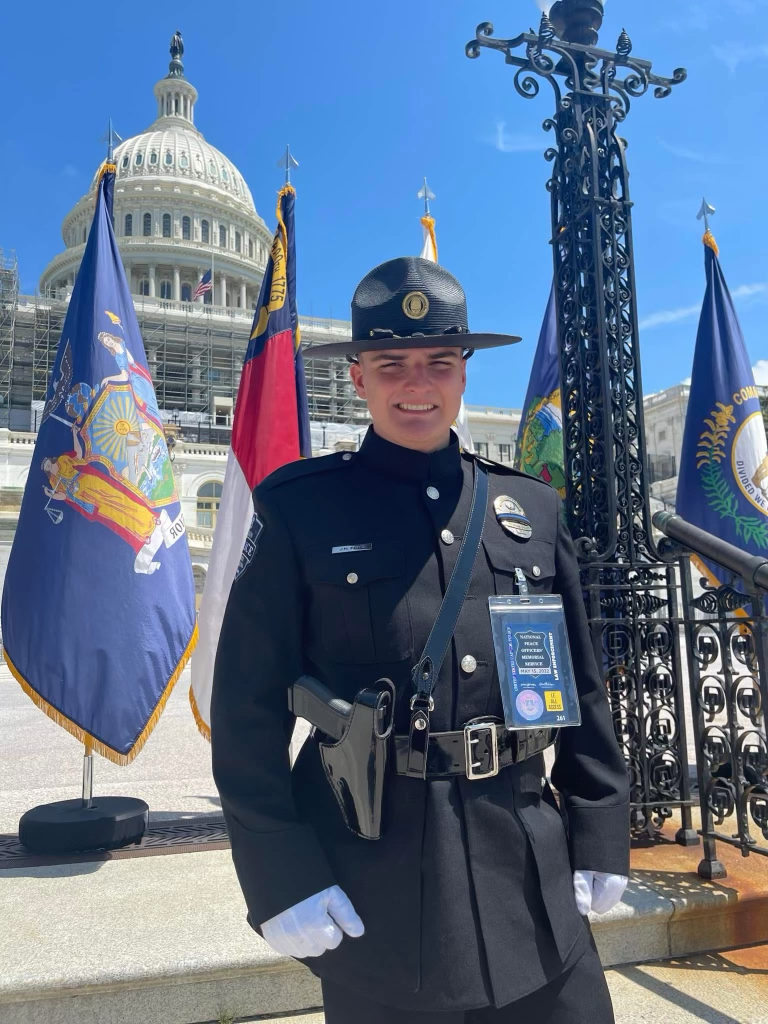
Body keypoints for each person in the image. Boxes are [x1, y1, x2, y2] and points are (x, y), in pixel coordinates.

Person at [211, 257, 630, 1023]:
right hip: (381, 886)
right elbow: (246, 709)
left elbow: (584, 683)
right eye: (392, 364)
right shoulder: (302, 510)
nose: (417, 384)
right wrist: (279, 873)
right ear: (359, 378)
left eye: (439, 362)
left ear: (463, 375)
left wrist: (601, 824)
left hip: (528, 870)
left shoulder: (529, 507)